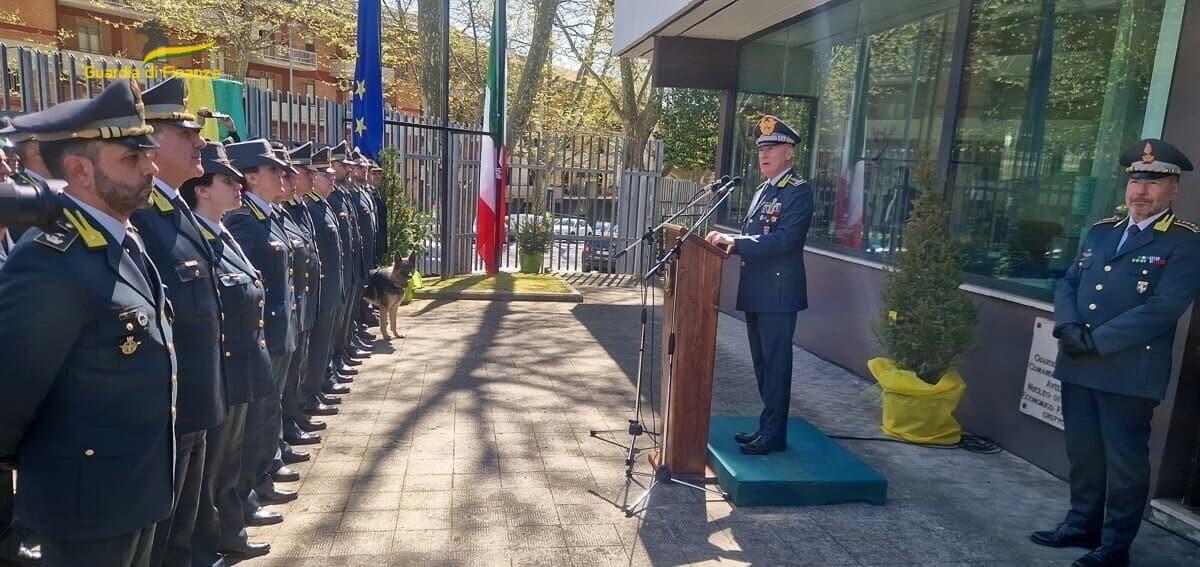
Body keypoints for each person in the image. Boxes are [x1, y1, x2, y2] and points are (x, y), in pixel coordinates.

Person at [0, 79, 174, 567]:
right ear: (79, 169)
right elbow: (10, 394)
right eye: (132, 159)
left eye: (148, 155)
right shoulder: (52, 261)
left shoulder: (120, 239)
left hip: (134, 491)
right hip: (86, 506)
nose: (151, 168)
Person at [1032, 139, 1200, 567]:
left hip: (1129, 369)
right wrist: (1067, 327)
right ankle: (1081, 524)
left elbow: (1164, 308)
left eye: (1154, 182)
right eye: (1136, 181)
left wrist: (1098, 340)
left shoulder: (1185, 243)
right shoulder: (1101, 231)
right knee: (1084, 451)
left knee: (1124, 460)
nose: (1141, 191)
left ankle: (1114, 545)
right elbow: (1069, 281)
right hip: (1079, 361)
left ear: (1173, 190)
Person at [132, 77, 228, 567]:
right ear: (148, 136)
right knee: (164, 533)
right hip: (170, 404)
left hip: (194, 395)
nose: (201, 143)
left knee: (182, 527)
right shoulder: (144, 216)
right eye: (186, 132)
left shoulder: (174, 209)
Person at [705, 115, 814, 456]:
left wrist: (735, 243)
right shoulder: (761, 190)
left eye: (773, 147)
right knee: (762, 364)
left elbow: (784, 241)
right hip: (757, 290)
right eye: (762, 149)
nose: (764, 154)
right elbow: (759, 235)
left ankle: (775, 435)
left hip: (779, 294)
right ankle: (766, 427)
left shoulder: (798, 192)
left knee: (776, 365)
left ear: (790, 153)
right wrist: (731, 242)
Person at [222, 139, 299, 527]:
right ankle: (255, 484)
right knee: (256, 419)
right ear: (251, 177)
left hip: (278, 327)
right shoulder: (242, 221)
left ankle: (266, 472)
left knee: (270, 409)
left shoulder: (266, 216)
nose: (283, 176)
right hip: (264, 331)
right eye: (273, 170)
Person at [299, 146, 347, 421]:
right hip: (317, 291)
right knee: (314, 347)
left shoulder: (319, 205)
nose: (331, 179)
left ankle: (315, 389)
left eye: (331, 175)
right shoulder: (310, 209)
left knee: (323, 343)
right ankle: (308, 396)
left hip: (331, 286)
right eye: (323, 175)